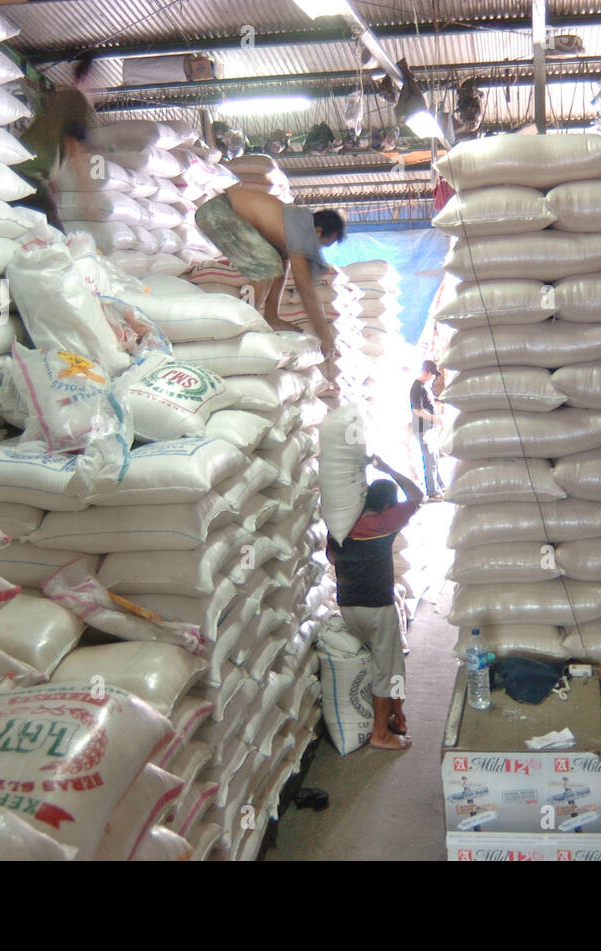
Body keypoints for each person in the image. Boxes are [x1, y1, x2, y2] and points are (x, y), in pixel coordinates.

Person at [193, 188, 347, 383]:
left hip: (226, 212)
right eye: (323, 244)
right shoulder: (302, 232)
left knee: (281, 259)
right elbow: (305, 289)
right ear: (318, 231)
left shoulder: (296, 226)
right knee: (267, 262)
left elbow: (291, 270)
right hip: (219, 213)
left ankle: (271, 317)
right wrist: (325, 336)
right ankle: (250, 321)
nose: (318, 249)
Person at [326, 454, 423, 750]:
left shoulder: (338, 529)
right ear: (386, 506)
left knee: (389, 664)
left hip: (348, 607)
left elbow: (331, 559)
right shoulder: (384, 522)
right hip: (377, 609)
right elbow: (418, 495)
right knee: (387, 669)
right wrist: (389, 468)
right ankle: (380, 734)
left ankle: (398, 716)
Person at [14, 51, 98, 231]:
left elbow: (51, 143)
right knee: (54, 233)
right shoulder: (77, 101)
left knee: (27, 228)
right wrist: (87, 196)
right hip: (28, 175)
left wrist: (53, 187)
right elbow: (74, 147)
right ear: (90, 77)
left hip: (20, 169)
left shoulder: (59, 98)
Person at [410, 359, 445, 499]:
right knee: (430, 459)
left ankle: (440, 485)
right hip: (422, 427)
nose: (432, 378)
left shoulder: (425, 386)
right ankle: (432, 491)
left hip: (430, 427)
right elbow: (417, 410)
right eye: (431, 374)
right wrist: (434, 419)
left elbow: (431, 402)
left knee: (434, 457)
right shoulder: (416, 388)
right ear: (424, 372)